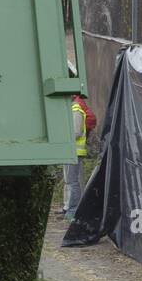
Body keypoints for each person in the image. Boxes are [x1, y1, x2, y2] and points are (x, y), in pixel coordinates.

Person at [60, 85, 97, 222]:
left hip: (74, 151)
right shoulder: (73, 107)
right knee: (70, 181)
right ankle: (70, 209)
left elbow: (75, 132)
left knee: (72, 182)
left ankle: (73, 211)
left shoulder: (75, 109)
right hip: (72, 151)